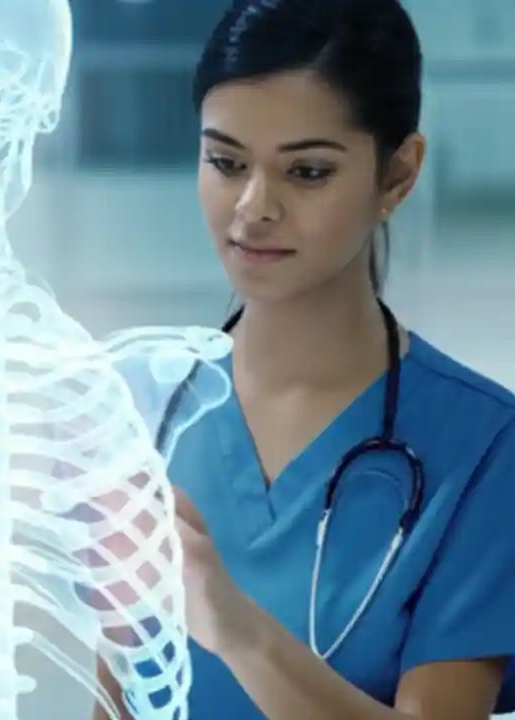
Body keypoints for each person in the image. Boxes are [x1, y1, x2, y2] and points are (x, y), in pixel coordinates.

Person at [94, 0, 515, 718]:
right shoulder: (138, 413)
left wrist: (235, 629)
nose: (253, 207)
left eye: (308, 172)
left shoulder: (483, 449)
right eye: (225, 162)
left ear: (398, 175)